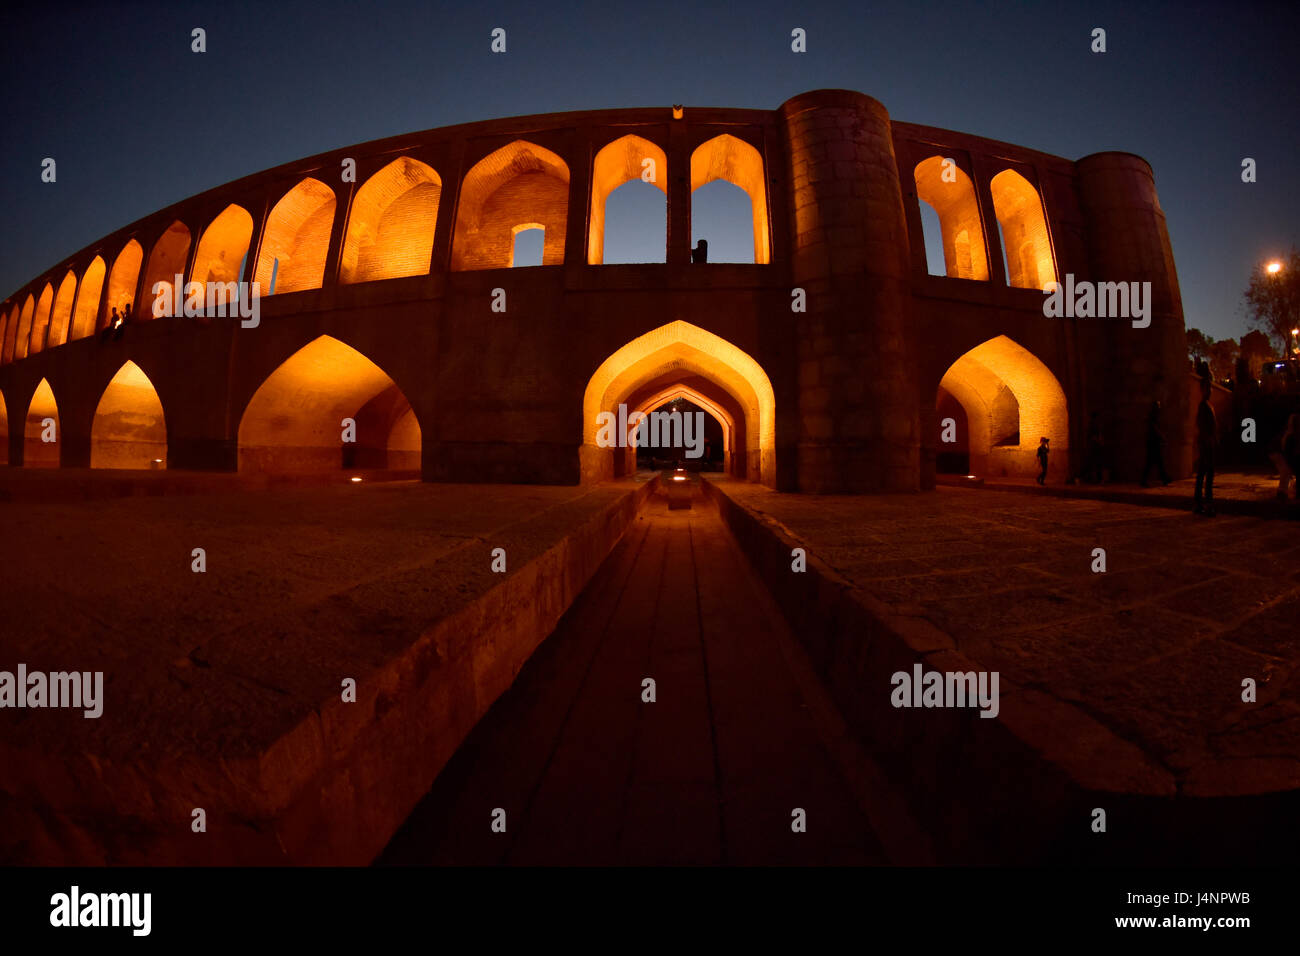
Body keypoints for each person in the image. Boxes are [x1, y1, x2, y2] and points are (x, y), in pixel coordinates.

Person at [1193, 375, 1217, 516]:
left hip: (1208, 444)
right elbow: (1203, 427)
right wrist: (1207, 443)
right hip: (1207, 445)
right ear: (1203, 389)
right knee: (1206, 476)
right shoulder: (1204, 406)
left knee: (1204, 475)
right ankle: (1206, 504)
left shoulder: (1207, 405)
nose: (1210, 390)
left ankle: (1200, 503)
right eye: (1208, 387)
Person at [1140, 400, 1171, 487]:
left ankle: (1164, 478)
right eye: (1158, 406)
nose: (1159, 408)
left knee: (1156, 462)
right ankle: (1163, 478)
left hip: (1153, 442)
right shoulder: (1153, 416)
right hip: (1153, 443)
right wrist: (1161, 436)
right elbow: (1154, 428)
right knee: (1152, 463)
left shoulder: (1154, 416)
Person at [1271, 413, 1300, 500]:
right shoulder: (1290, 435)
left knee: (1286, 471)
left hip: (1277, 451)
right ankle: (1282, 493)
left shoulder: (1291, 434)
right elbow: (1286, 450)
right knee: (1285, 471)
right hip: (1276, 451)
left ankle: (1283, 492)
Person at [1083, 412, 1104, 483]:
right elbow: (1091, 436)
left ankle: (1097, 478)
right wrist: (1098, 441)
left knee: (1096, 463)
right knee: (1094, 462)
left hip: (1095, 446)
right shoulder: (1092, 426)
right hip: (1093, 446)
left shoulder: (1095, 425)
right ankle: (1094, 478)